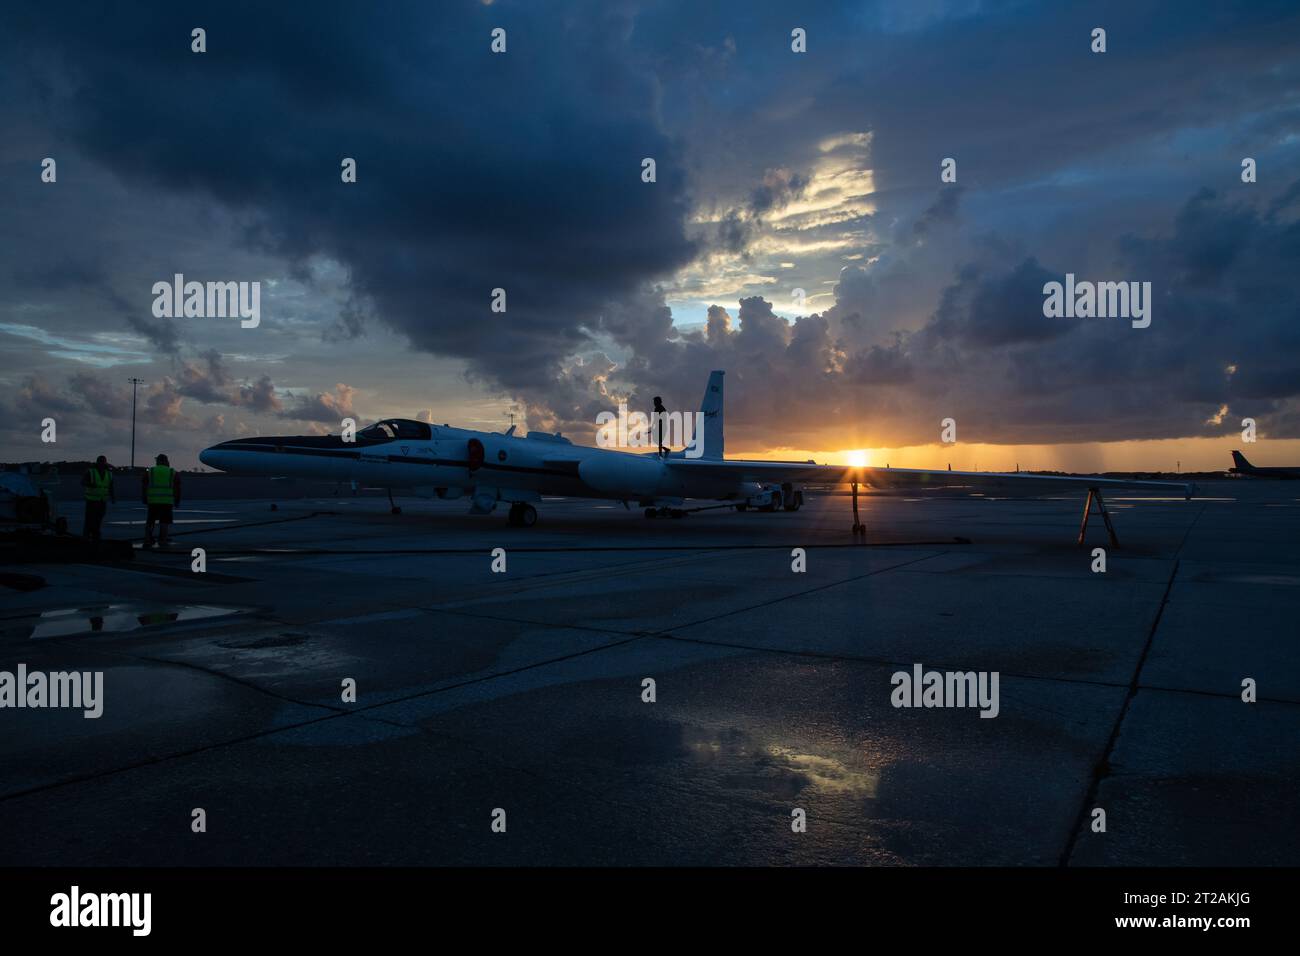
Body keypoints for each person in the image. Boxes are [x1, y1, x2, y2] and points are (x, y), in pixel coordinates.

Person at [141, 453, 181, 549]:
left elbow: (144, 485)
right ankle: (162, 540)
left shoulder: (150, 471)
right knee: (164, 522)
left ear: (157, 461)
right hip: (167, 501)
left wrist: (144, 497)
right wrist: (177, 500)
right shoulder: (173, 472)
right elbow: (177, 488)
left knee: (150, 521)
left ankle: (147, 540)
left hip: (153, 501)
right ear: (166, 461)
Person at [81, 455, 115, 540]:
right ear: (97, 462)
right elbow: (83, 482)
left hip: (102, 500)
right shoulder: (91, 471)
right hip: (91, 500)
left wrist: (113, 497)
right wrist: (90, 484)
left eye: (103, 462)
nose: (102, 464)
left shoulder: (109, 473)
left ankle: (95, 534)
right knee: (89, 519)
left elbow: (110, 486)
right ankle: (87, 535)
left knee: (99, 519)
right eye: (101, 462)